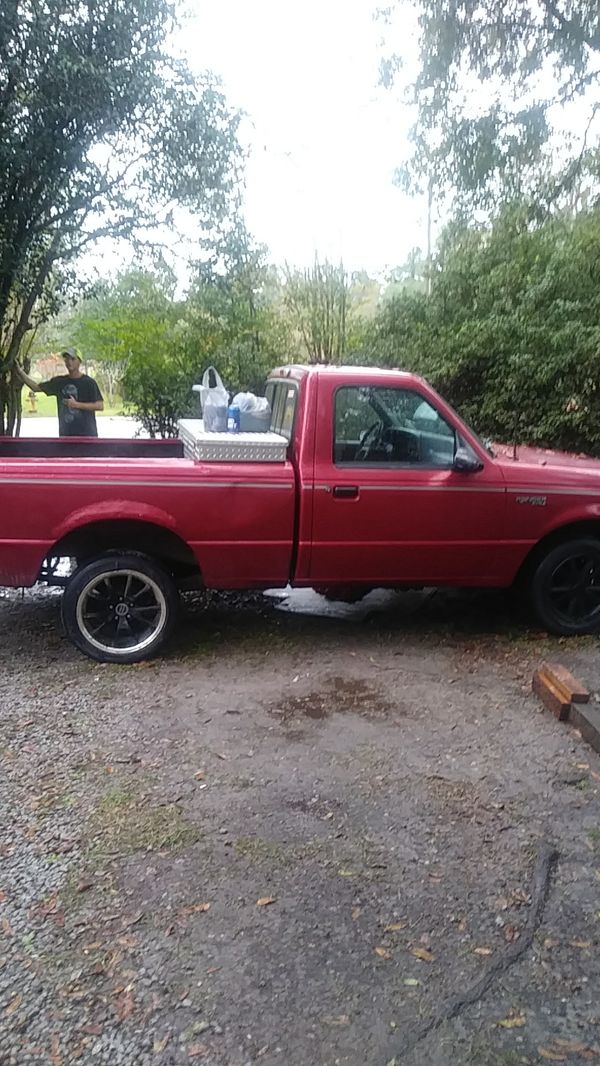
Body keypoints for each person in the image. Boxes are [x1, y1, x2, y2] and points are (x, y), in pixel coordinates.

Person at [16, 347, 104, 437]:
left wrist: (77, 405)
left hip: (87, 436)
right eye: (66, 359)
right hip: (65, 436)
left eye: (73, 359)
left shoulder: (89, 382)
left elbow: (100, 406)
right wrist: (19, 371)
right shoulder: (60, 382)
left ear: (79, 361)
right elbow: (36, 387)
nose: (69, 362)